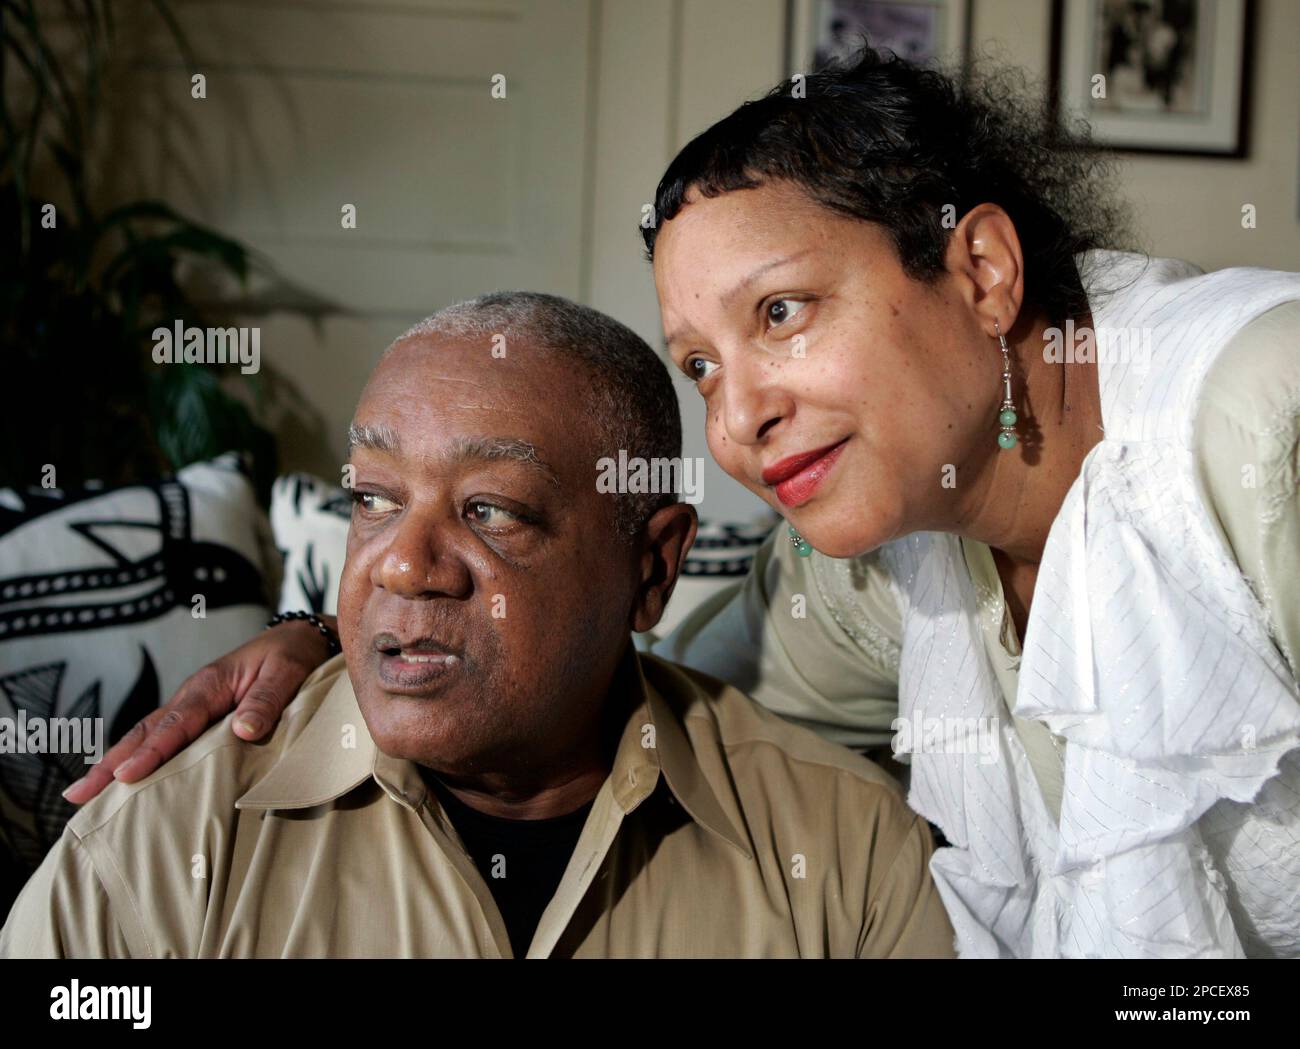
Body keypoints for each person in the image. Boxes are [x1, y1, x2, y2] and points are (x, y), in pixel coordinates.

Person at [64, 48, 1300, 958]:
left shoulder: (1262, 424)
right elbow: (616, 654)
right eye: (702, 364)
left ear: (980, 269)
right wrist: (355, 631)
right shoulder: (876, 573)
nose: (735, 420)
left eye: (780, 313)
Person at [0, 292, 954, 959]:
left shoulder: (850, 862)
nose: (403, 564)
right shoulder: (162, 843)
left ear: (652, 568)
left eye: (493, 509)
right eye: (373, 497)